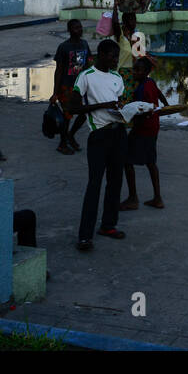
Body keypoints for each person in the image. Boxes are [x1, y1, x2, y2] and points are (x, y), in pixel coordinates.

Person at [72, 39, 128, 251]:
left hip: (118, 133)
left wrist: (125, 108)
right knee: (94, 184)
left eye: (116, 56)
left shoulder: (117, 77)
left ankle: (108, 225)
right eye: (113, 56)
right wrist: (104, 106)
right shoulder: (86, 76)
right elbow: (74, 107)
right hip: (99, 136)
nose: (115, 60)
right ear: (101, 55)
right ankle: (84, 236)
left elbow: (119, 100)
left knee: (115, 182)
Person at [121, 57, 167, 211]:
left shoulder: (142, 89)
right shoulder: (150, 82)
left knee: (127, 161)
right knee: (151, 162)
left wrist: (133, 131)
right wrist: (166, 107)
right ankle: (157, 198)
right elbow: (160, 95)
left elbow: (141, 112)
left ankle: (133, 198)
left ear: (146, 72)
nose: (134, 72)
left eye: (137, 70)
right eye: (134, 69)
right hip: (154, 127)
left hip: (143, 128)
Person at [51, 19, 92, 154]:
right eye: (75, 28)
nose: (79, 30)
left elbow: (88, 64)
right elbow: (59, 70)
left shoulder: (85, 44)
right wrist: (55, 92)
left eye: (80, 27)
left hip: (81, 87)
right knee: (67, 116)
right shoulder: (64, 47)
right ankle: (62, 144)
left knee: (84, 113)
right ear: (69, 30)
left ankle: (70, 135)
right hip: (66, 86)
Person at [110, 6, 144, 83]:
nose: (134, 22)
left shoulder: (136, 36)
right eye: (131, 19)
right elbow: (115, 23)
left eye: (135, 19)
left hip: (135, 74)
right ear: (125, 21)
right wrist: (115, 6)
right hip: (122, 74)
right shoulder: (120, 35)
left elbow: (140, 57)